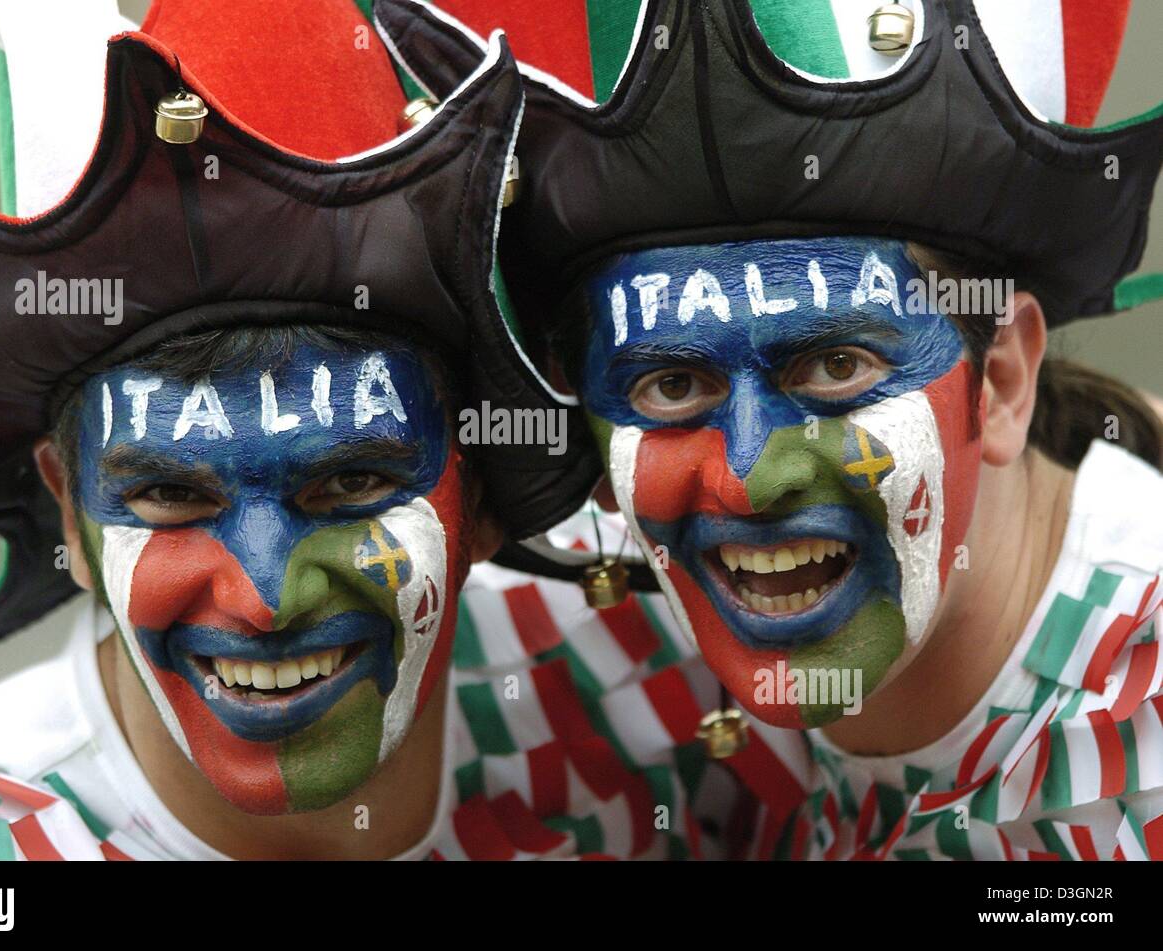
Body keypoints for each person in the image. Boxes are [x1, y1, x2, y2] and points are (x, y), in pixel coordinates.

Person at [0, 0, 729, 861]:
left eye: (350, 483)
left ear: (487, 494)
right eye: (170, 492)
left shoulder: (664, 696)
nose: (267, 596)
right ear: (69, 515)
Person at [379, 0, 1163, 859]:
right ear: (589, 441)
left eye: (835, 368)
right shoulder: (593, 660)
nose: (749, 476)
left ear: (1002, 383)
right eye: (672, 383)